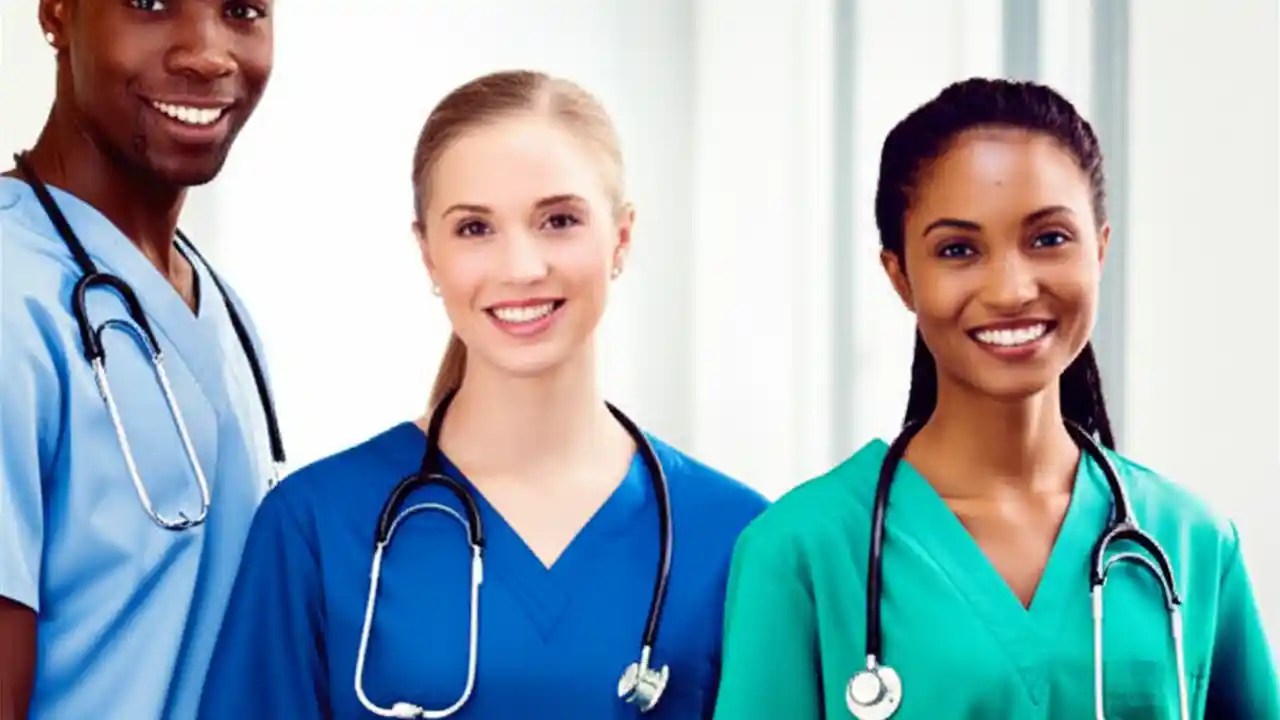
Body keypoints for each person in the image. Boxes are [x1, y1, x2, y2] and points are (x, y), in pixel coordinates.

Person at [197, 69, 770, 719]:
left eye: (558, 220)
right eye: (475, 229)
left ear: (622, 238)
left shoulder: (738, 538)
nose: (522, 268)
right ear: (428, 254)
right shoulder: (315, 525)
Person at [712, 78, 1280, 719]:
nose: (1011, 289)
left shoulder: (1193, 542)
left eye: (1048, 239)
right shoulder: (801, 551)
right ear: (900, 275)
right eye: (958, 250)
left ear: (1100, 248)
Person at [0, 1, 280, 718]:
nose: (207, 54)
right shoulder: (11, 291)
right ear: (57, 13)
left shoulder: (220, 309)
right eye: (150, 3)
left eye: (242, 9)